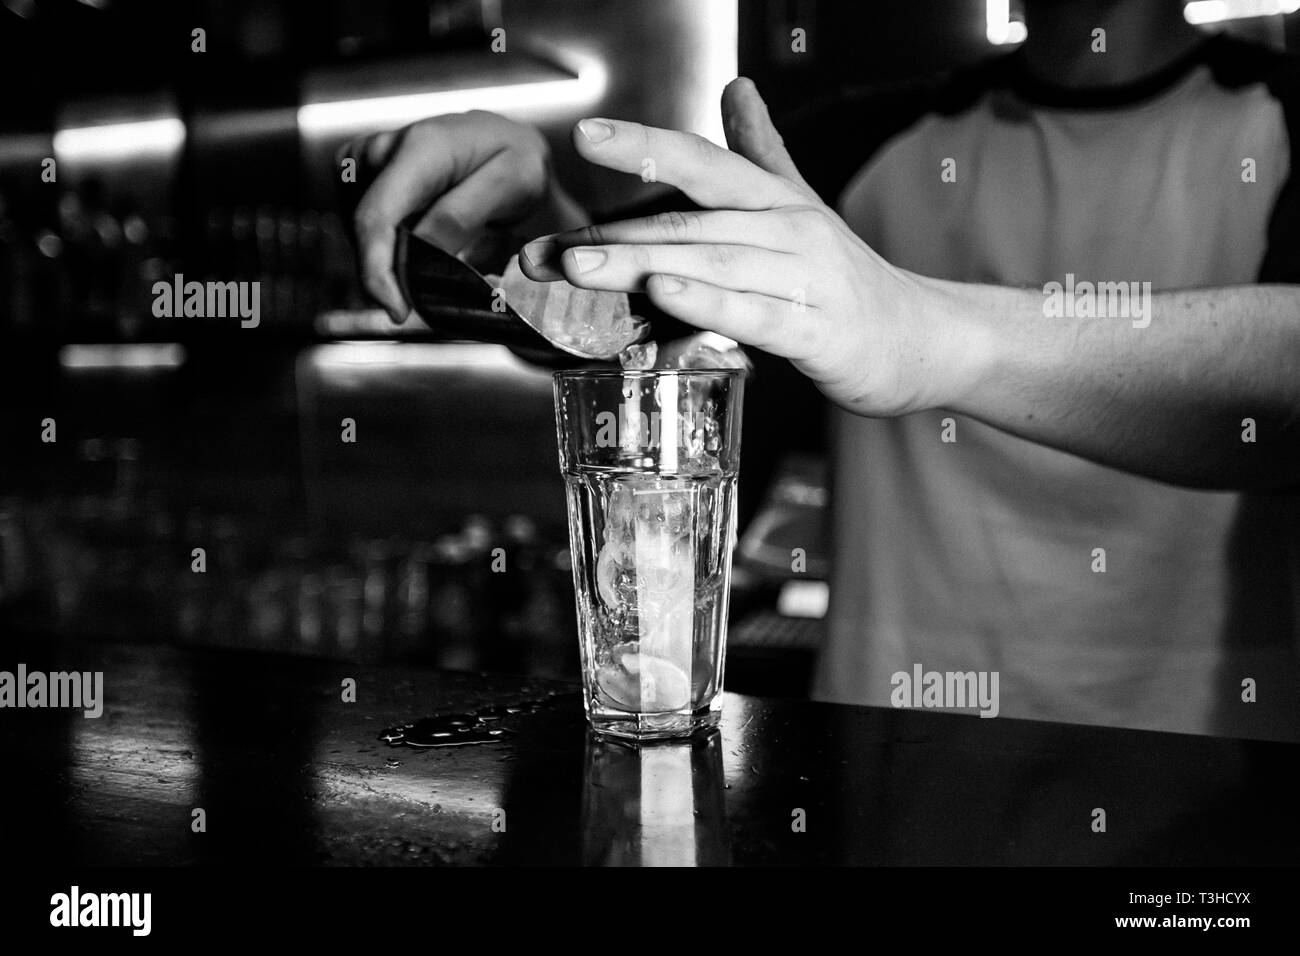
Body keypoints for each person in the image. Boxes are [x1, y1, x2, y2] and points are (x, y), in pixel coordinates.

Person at [346, 0, 1300, 741]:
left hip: (1203, 762)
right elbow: (635, 307)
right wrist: (534, 241)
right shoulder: (866, 143)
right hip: (890, 743)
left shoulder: (1283, 119)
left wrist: (925, 330)